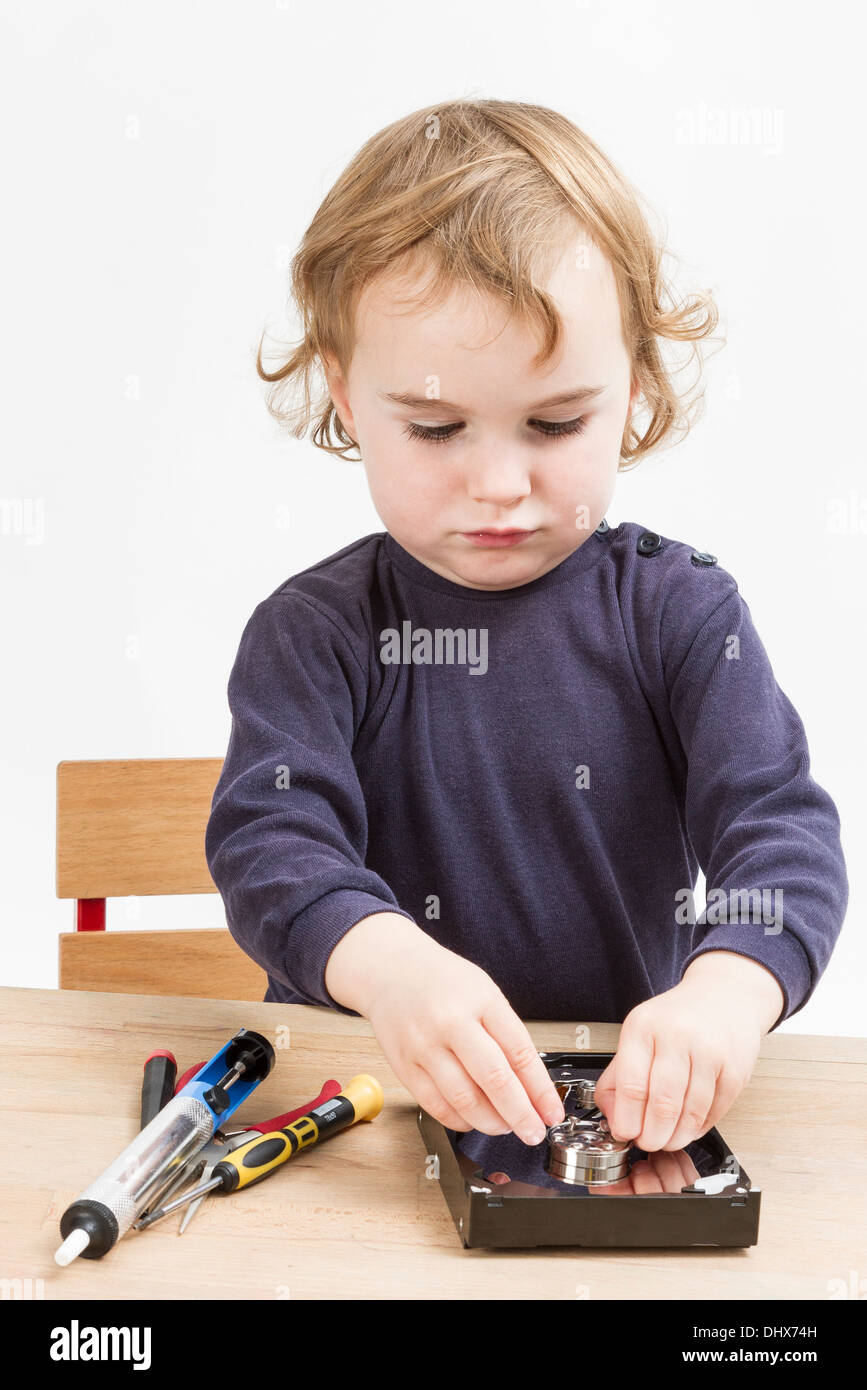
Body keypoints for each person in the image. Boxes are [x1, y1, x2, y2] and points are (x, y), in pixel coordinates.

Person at [205, 99, 848, 1158]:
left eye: (555, 423)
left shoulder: (684, 613)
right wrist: (394, 968)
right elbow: (273, 845)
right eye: (434, 427)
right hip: (356, 1120)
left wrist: (728, 995)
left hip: (608, 1138)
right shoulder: (312, 632)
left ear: (635, 385)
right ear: (346, 395)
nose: (499, 485)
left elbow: (779, 835)